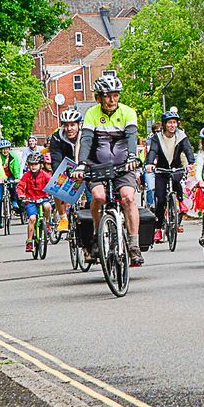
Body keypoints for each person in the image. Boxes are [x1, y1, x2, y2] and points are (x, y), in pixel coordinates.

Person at [76, 72, 143, 267]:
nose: (112, 99)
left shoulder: (128, 112)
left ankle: (133, 245)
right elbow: (86, 140)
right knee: (99, 197)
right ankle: (98, 233)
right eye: (107, 95)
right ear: (98, 97)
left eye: (115, 94)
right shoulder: (92, 114)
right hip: (97, 166)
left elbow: (131, 136)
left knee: (128, 197)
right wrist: (81, 164)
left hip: (124, 166)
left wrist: (132, 157)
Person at [148, 107, 195, 244]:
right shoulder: (157, 138)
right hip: (161, 170)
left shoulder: (181, 136)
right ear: (164, 124)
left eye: (174, 122)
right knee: (160, 200)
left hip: (176, 168)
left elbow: (188, 150)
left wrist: (191, 163)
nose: (172, 125)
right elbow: (153, 151)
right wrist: (150, 163)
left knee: (176, 180)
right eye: (169, 122)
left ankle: (180, 202)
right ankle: (158, 228)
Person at [49, 108, 85, 234]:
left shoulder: (86, 135)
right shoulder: (57, 137)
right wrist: (58, 174)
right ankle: (63, 217)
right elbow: (56, 159)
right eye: (66, 125)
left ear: (79, 125)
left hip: (84, 165)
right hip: (66, 165)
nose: (69, 129)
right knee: (55, 185)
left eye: (72, 125)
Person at [16, 152, 51, 253]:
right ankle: (30, 241)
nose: (33, 167)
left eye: (35, 164)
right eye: (31, 164)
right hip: (30, 200)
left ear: (40, 164)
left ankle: (47, 223)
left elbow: (52, 185)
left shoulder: (45, 175)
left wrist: (53, 193)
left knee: (48, 206)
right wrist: (21, 194)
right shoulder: (26, 176)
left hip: (43, 198)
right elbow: (20, 187)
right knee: (32, 218)